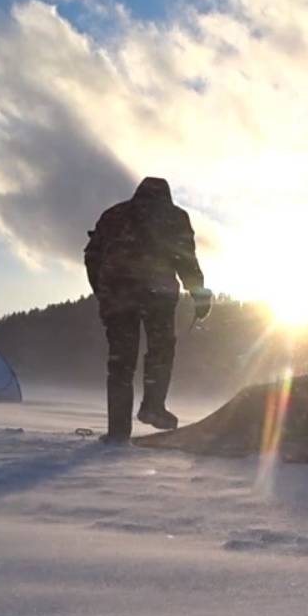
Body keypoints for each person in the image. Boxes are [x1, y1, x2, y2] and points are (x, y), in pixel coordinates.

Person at [84, 177, 211, 443]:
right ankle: (153, 406)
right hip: (158, 296)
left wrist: (103, 291)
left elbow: (92, 256)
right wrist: (199, 295)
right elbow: (185, 259)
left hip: (117, 297)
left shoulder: (114, 214)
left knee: (121, 363)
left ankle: (118, 431)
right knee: (161, 349)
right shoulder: (174, 216)